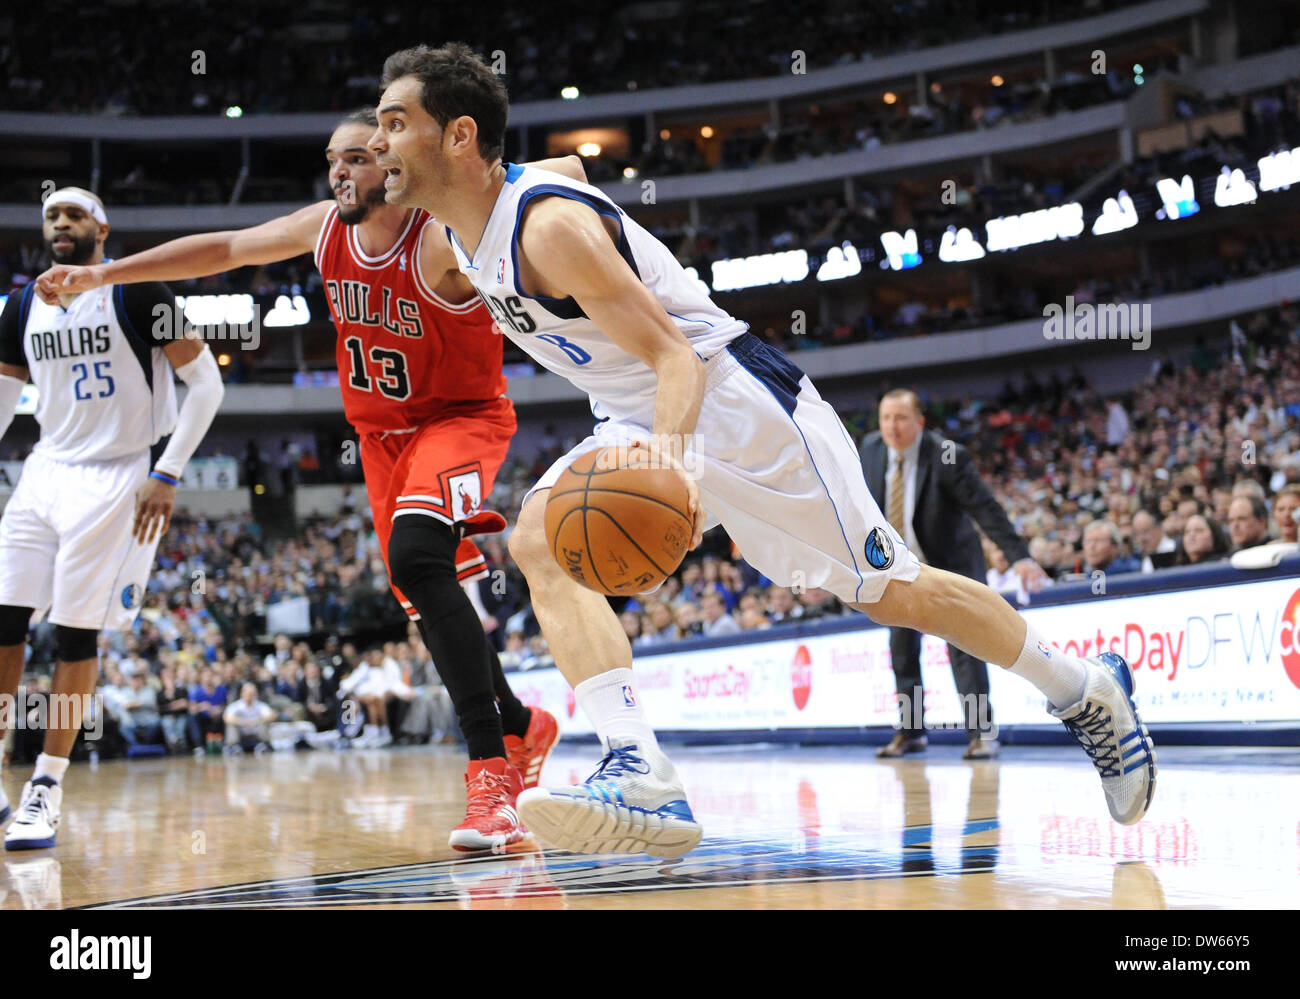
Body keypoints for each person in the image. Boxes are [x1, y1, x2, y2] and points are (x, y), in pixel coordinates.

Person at [373, 42, 1156, 858]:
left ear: (459, 137)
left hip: (735, 402)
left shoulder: (550, 232)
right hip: (638, 412)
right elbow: (563, 167)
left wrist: (665, 472)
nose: (381, 141)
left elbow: (674, 355)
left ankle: (1085, 690)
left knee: (895, 591)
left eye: (397, 124)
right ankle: (640, 768)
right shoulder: (467, 228)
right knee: (540, 540)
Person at [36, 113, 574, 853]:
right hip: (380, 442)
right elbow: (223, 248)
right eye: (333, 160)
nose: (339, 173)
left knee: (419, 558)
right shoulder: (324, 226)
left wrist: (520, 177)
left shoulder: (440, 234)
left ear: (395, 166)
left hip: (459, 419)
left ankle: (491, 778)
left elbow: (563, 181)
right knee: (423, 595)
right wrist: (105, 273)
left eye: (358, 158)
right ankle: (520, 724)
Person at [0, 189, 223, 850]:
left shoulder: (139, 293)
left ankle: (46, 783)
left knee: (74, 637)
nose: (60, 225)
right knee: (5, 627)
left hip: (118, 473)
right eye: (51, 216)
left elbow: (207, 384)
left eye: (73, 216)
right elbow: (4, 401)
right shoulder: (20, 306)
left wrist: (168, 471)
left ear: (102, 228)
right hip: (43, 471)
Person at [862, 389, 1048, 760]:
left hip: (951, 563)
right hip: (901, 568)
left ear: (920, 421)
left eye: (900, 418)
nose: (892, 427)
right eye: (886, 418)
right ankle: (911, 733)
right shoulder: (869, 450)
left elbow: (985, 507)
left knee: (966, 648)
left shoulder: (947, 455)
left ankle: (982, 734)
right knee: (902, 653)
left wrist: (1019, 557)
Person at [222, 682, 274, 754]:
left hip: (256, 732)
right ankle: (233, 746)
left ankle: (264, 745)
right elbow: (227, 717)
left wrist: (257, 721)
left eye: (252, 693)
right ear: (242, 694)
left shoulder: (260, 705)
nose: (249, 695)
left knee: (264, 724)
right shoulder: (235, 706)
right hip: (241, 733)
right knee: (231, 725)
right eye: (247, 693)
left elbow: (271, 715)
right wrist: (243, 722)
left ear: (256, 694)